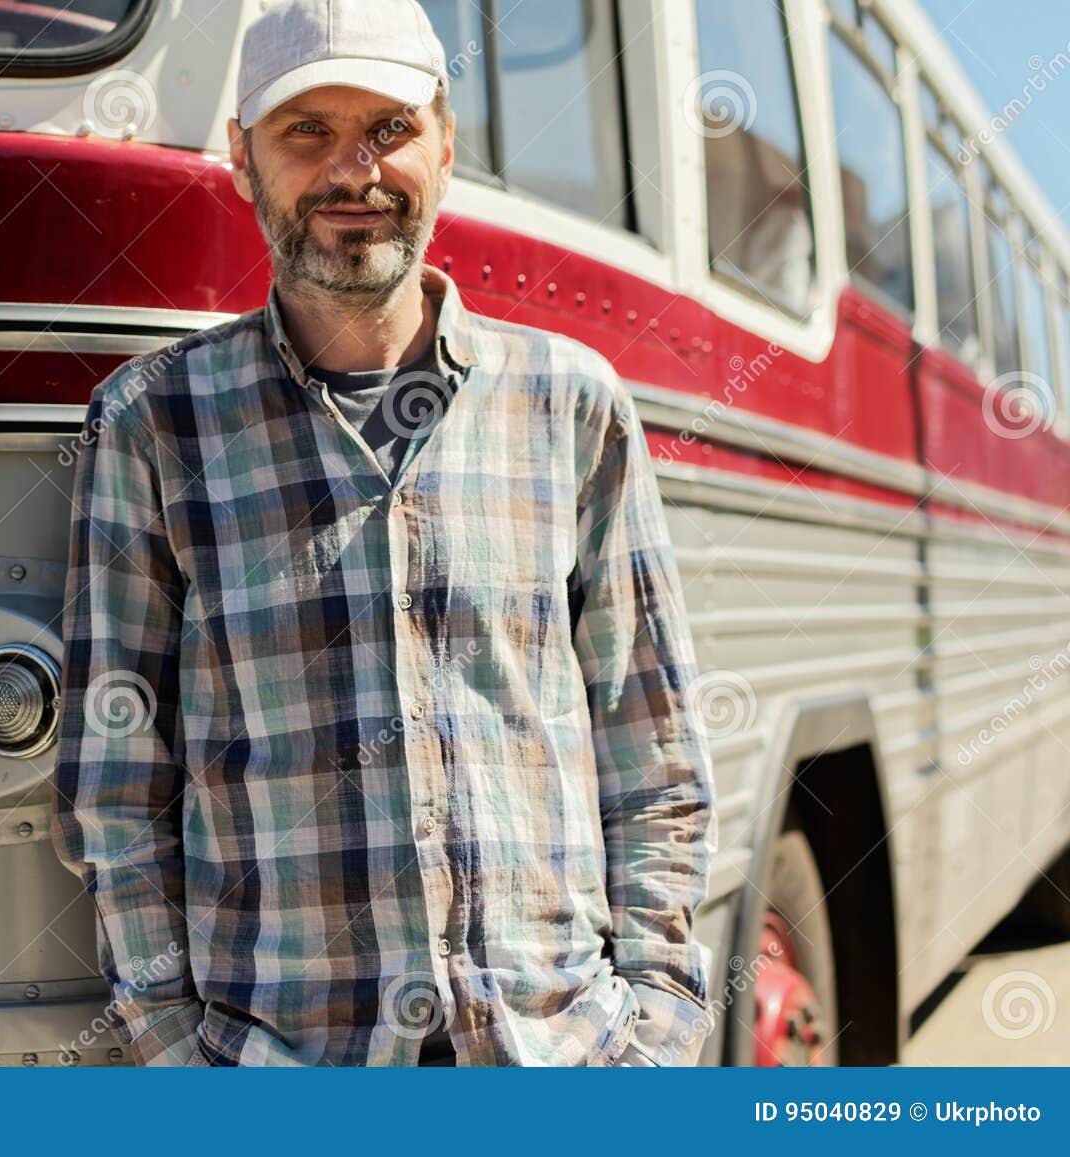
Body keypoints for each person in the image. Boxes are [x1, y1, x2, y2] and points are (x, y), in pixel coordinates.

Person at [51, 0, 716, 1068]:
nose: (351, 170)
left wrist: (657, 1029)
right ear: (242, 160)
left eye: (390, 130)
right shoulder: (153, 422)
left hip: (557, 1056)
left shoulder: (570, 404)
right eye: (305, 131)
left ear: (445, 151)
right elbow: (116, 783)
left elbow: (654, 751)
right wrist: (179, 1055)